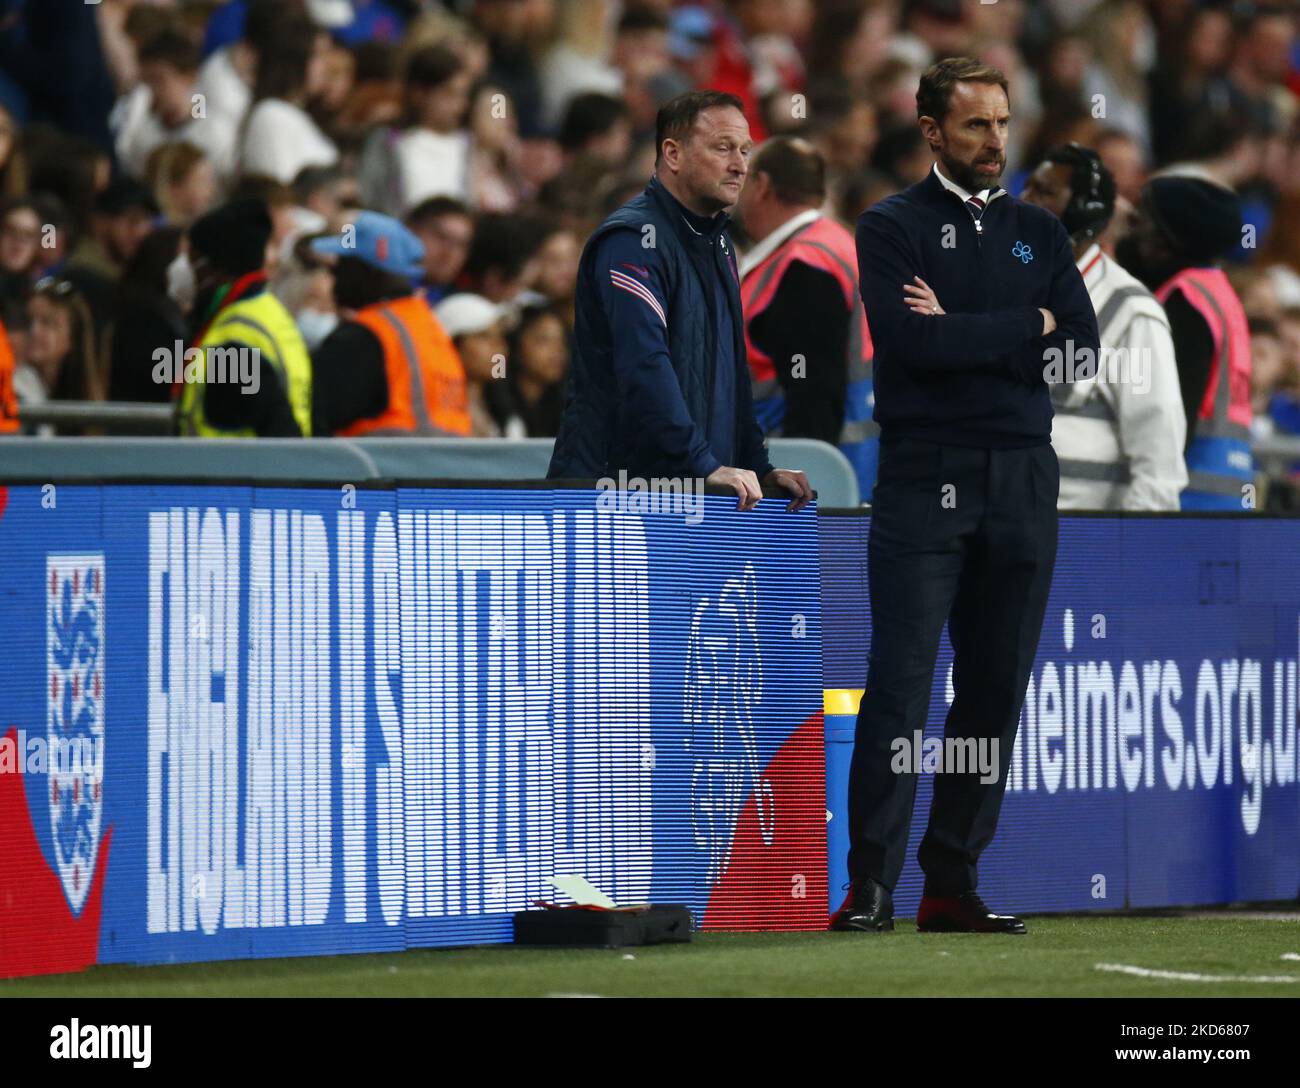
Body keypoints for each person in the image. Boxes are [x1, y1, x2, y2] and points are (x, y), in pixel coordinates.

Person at [834, 58, 1098, 935]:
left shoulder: (1041, 233)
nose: (996, 141)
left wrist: (974, 330)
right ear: (933, 131)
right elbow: (912, 346)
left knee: (993, 692)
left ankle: (952, 883)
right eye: (977, 125)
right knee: (901, 687)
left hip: (1024, 474)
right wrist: (1029, 325)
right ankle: (869, 888)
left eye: (1002, 122)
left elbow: (1079, 356)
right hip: (924, 472)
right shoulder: (890, 225)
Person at [547, 90, 811, 512]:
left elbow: (732, 374)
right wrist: (703, 464)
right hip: (620, 498)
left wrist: (759, 467)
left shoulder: (719, 243)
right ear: (672, 153)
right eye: (722, 148)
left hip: (693, 496)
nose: (740, 165)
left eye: (745, 150)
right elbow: (644, 364)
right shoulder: (632, 241)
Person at [1022, 144, 1187, 510]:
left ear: (1084, 214)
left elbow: (1157, 448)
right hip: (996, 533)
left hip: (1081, 542)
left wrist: (1128, 552)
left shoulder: (1130, 310)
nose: (1024, 200)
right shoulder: (1000, 289)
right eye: (1028, 186)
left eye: (1044, 192)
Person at [736, 135, 879, 501]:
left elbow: (814, 393)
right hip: (835, 474)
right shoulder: (833, 243)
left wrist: (803, 486)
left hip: (803, 488)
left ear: (762, 185)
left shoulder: (805, 265)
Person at [1115, 175, 1253, 510]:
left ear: (1168, 235)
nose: (1135, 231)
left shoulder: (1185, 302)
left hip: (1188, 499)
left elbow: (1173, 413)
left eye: (1143, 219)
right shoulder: (1215, 290)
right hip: (1224, 490)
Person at [309, 211, 471, 437]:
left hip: (380, 469)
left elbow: (310, 421)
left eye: (342, 266)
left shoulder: (364, 338)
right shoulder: (426, 325)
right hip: (439, 468)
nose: (334, 279)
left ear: (368, 272)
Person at [176, 198, 312, 437]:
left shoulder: (237, 337)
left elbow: (279, 430)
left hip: (237, 472)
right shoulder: (265, 312)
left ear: (215, 269)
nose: (187, 271)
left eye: (193, 262)